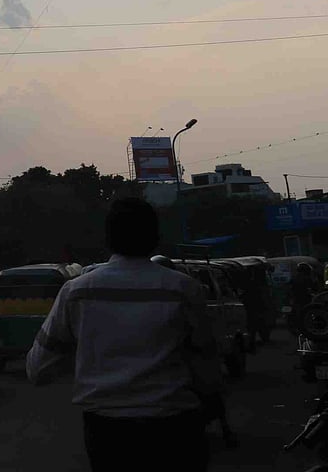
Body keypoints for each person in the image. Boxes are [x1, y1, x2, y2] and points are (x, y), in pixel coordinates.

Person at [27, 198, 221, 472]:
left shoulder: (77, 292)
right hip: (176, 427)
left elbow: (37, 369)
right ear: (155, 238)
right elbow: (208, 367)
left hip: (107, 434)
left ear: (108, 239)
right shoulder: (184, 289)